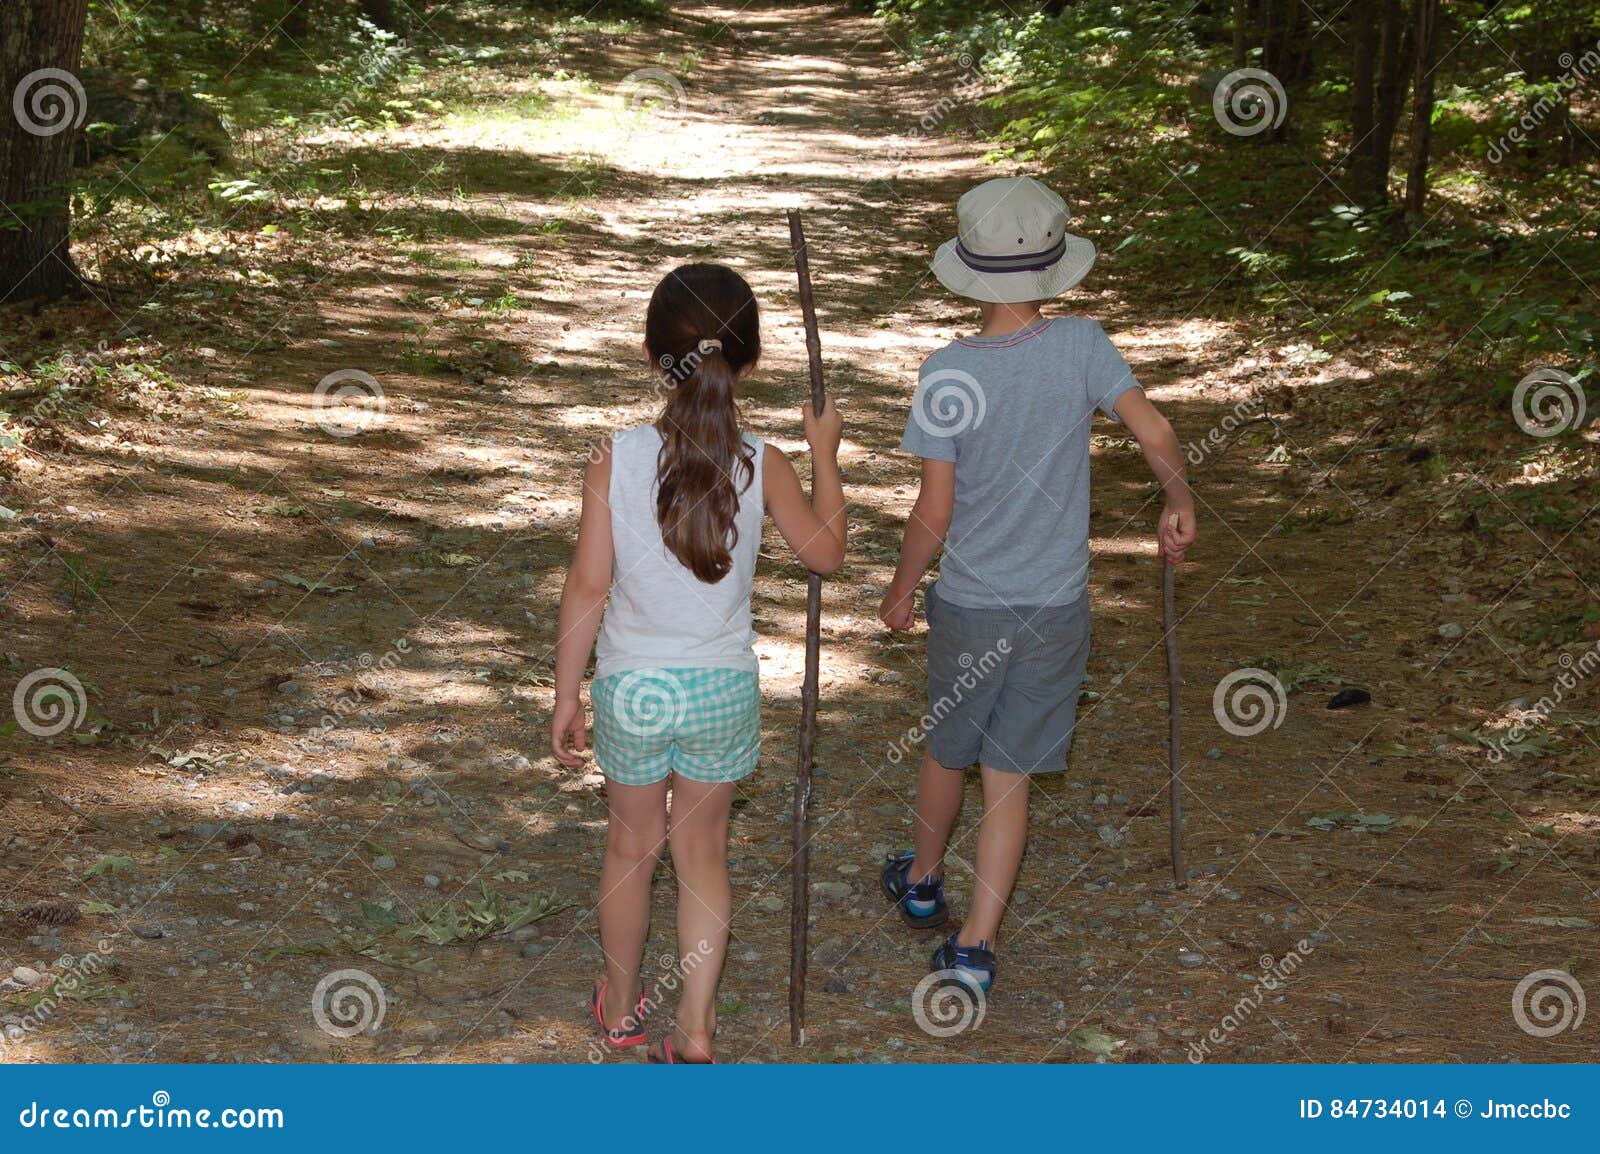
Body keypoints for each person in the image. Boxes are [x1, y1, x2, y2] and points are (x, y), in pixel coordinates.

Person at [876, 176, 1197, 992]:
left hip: (973, 604)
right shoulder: (1085, 346)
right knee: (1009, 774)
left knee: (949, 748)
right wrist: (1178, 498)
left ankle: (922, 881)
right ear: (1055, 268)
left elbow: (935, 507)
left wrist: (903, 586)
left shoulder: (947, 370)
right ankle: (977, 948)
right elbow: (1155, 429)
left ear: (967, 269)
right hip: (1055, 604)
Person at [552, 262, 846, 1063]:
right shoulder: (766, 462)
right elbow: (826, 556)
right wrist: (824, 454)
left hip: (632, 686)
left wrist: (566, 693)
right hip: (720, 687)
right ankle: (696, 1027)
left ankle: (618, 1011)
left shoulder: (613, 460)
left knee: (629, 850)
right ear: (748, 363)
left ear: (654, 358)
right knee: (702, 856)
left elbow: (588, 583)